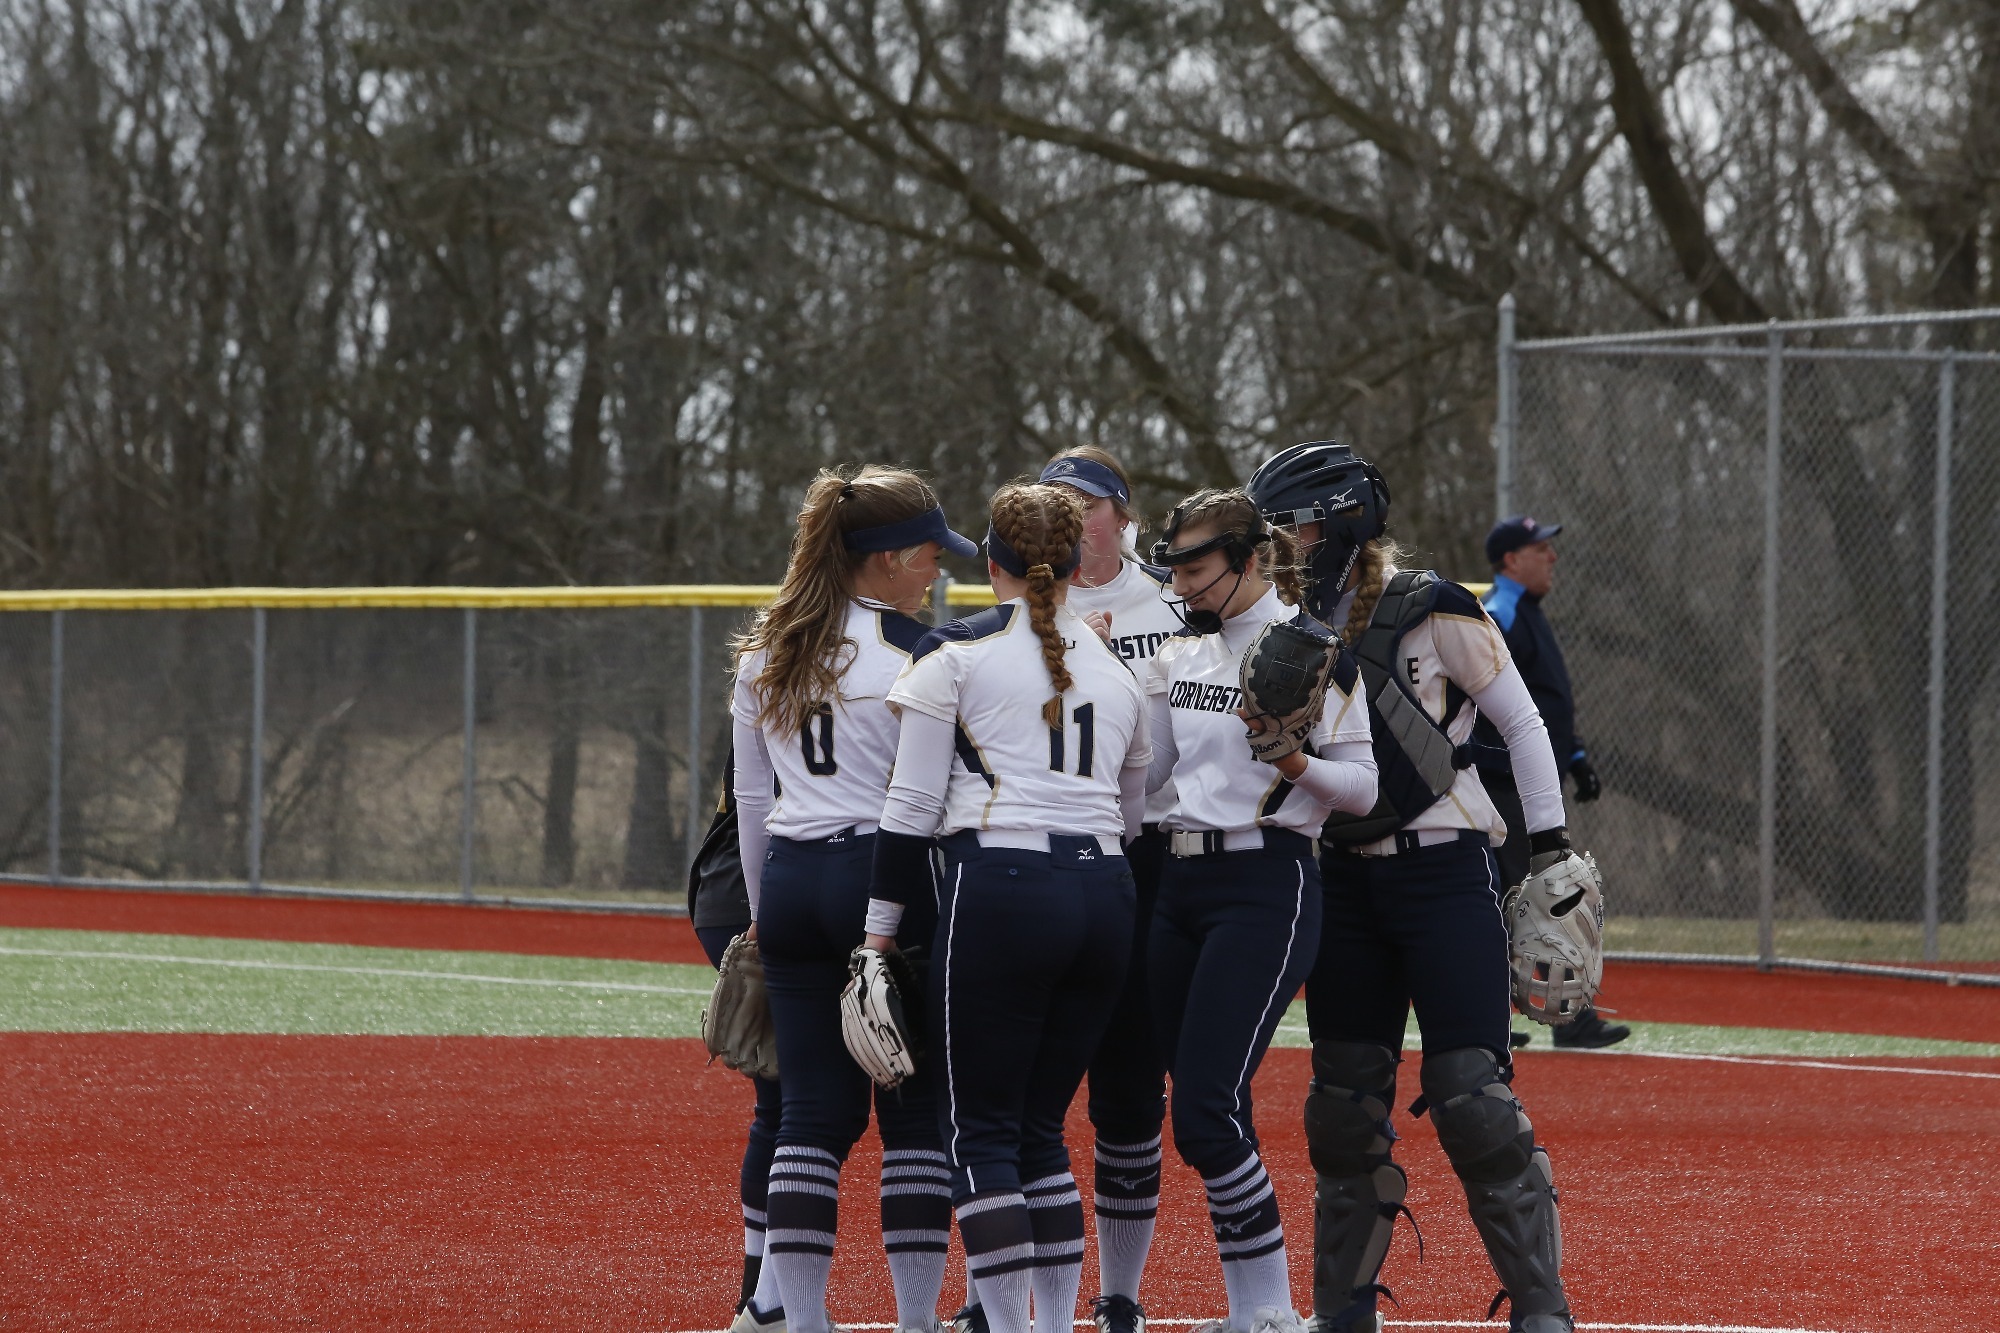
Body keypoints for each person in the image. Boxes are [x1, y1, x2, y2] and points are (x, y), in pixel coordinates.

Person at [1247, 441, 1582, 1333]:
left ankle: (1544, 1310)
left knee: (1474, 1095)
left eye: (1300, 524)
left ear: (1344, 521)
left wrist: (1548, 848)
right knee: (1343, 1107)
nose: (1288, 542)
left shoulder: (1432, 606)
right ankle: (1344, 1311)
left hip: (1442, 872)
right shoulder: (1283, 622)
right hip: (1346, 881)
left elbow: (1522, 721)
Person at [861, 482, 1151, 1333]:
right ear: (1072, 563)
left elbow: (909, 809)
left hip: (1003, 887)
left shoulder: (954, 651)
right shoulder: (1117, 666)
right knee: (1036, 1129)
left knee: (977, 1130)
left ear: (992, 563)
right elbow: (1131, 812)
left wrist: (877, 937)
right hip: (1106, 894)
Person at [729, 466, 979, 1333]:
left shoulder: (768, 648)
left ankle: (801, 1323)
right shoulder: (921, 652)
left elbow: (753, 801)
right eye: (925, 558)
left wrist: (764, 911)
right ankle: (913, 1324)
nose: (934, 573)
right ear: (886, 559)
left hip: (794, 877)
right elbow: (935, 800)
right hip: (887, 878)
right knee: (912, 1116)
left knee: (810, 1115)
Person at [1142, 489, 1378, 1333]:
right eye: (1175, 566)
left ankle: (1272, 1311)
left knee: (1204, 1109)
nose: (1184, 582)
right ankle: (1255, 1311)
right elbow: (1152, 779)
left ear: (1248, 558)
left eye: (1198, 565)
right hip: (1179, 886)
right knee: (1209, 1110)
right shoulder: (1184, 655)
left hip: (1265, 881)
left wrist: (1294, 758)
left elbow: (1363, 788)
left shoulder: (1315, 652)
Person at [1036, 448, 1183, 1333]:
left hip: (1148, 851)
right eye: (1053, 501)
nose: (1067, 515)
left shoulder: (1171, 602)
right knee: (1025, 1087)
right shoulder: (1022, 601)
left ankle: (1120, 1293)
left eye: (1082, 502)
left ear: (1122, 515)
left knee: (1131, 1085)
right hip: (1045, 850)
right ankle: (999, 1293)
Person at [1474, 517, 1628, 1050]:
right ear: (1511, 560)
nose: (1552, 558)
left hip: (1528, 783)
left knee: (1527, 893)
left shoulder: (1529, 613)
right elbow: (1492, 700)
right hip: (1503, 782)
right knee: (1535, 895)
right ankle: (1559, 1019)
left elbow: (1543, 699)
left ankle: (1532, 1014)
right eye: (1541, 549)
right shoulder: (1501, 613)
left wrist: (1577, 755)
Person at [687, 752, 784, 1320]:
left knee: (782, 1105)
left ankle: (760, 1294)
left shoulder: (768, 673)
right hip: (765, 895)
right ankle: (765, 1301)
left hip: (728, 891)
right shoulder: (876, 670)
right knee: (803, 1110)